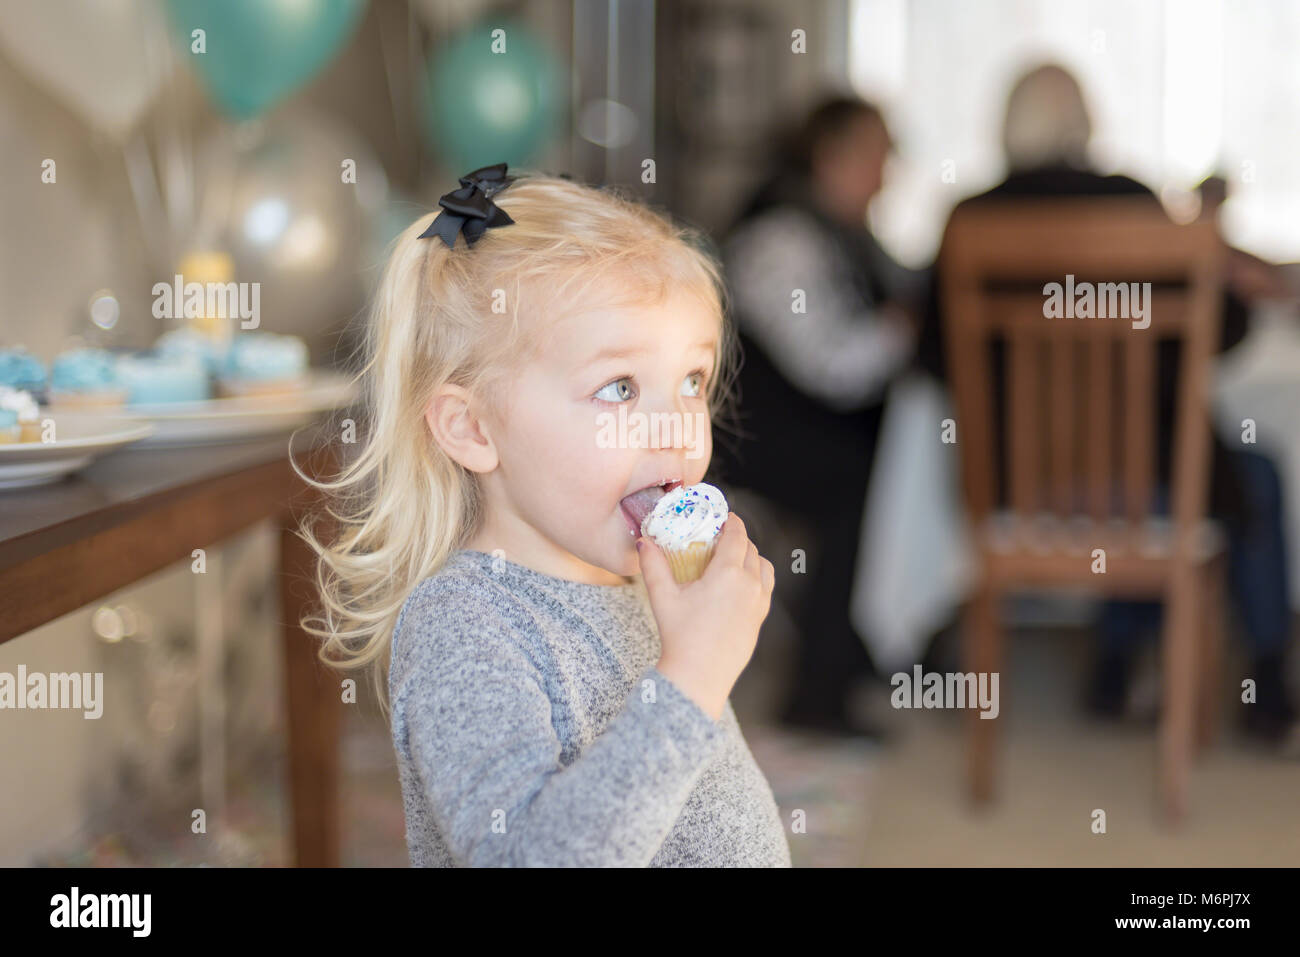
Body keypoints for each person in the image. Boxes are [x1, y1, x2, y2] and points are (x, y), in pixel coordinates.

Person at [299, 166, 791, 866]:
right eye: (619, 387)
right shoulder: (465, 625)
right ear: (472, 429)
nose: (677, 428)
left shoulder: (636, 583)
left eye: (692, 381)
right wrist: (694, 675)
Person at [919, 64, 1297, 749]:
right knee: (1240, 472)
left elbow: (929, 355)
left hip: (1014, 487)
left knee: (1141, 466)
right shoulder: (1134, 205)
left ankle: (1115, 664)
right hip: (1147, 489)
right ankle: (1267, 682)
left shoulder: (969, 219)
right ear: (1084, 124)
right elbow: (1228, 328)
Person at [714, 95, 921, 737]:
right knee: (858, 479)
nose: (887, 176)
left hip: (792, 424)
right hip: (742, 436)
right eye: (877, 159)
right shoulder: (781, 238)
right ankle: (818, 690)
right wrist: (900, 332)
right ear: (833, 159)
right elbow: (829, 363)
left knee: (893, 462)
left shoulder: (840, 233)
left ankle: (859, 646)